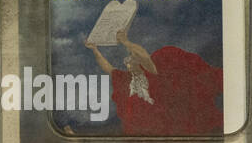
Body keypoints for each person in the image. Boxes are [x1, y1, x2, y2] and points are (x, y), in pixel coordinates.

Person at [85, 28, 222, 135]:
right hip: (140, 134)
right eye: (128, 61)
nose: (130, 63)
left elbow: (144, 55)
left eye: (133, 59)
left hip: (162, 131)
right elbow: (108, 68)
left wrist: (125, 41)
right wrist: (95, 50)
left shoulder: (151, 71)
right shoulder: (127, 78)